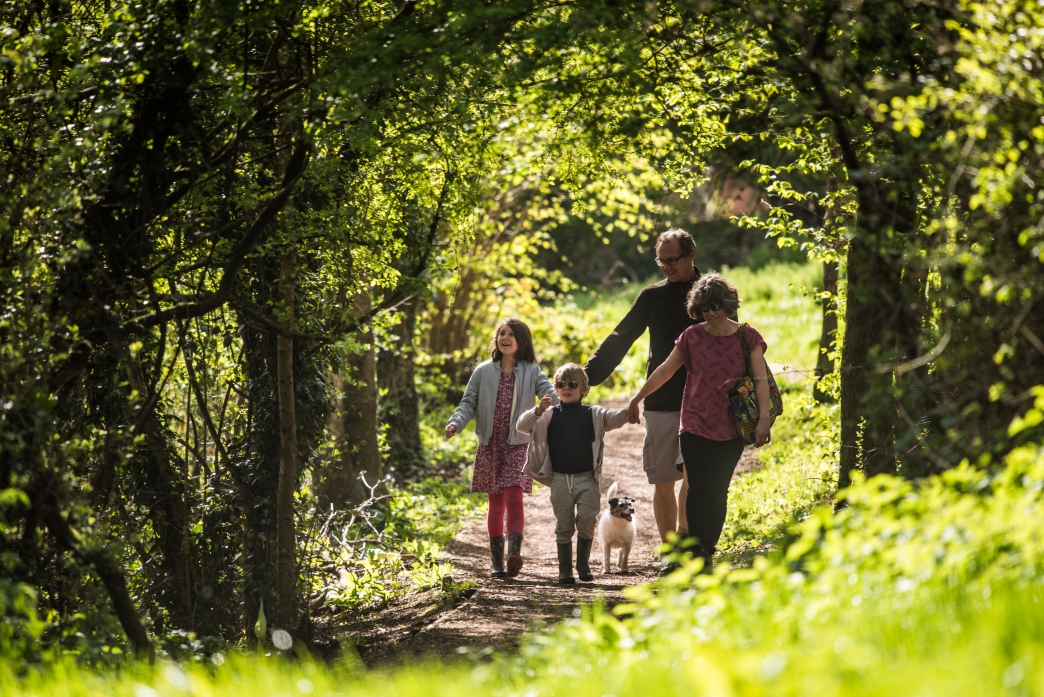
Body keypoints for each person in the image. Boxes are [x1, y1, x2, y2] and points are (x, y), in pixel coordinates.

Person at [626, 274, 773, 573]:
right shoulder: (691, 336)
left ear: (728, 304)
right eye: (704, 307)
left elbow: (761, 380)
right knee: (697, 487)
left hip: (732, 424)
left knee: (718, 489)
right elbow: (665, 370)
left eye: (715, 305)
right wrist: (637, 398)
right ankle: (697, 550)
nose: (710, 312)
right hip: (694, 422)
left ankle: (707, 546)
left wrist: (764, 420)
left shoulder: (747, 336)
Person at [584, 229, 702, 556]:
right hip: (662, 399)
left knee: (694, 478)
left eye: (672, 260)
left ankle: (689, 546)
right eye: (661, 261)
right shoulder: (652, 296)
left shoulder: (710, 292)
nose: (666, 267)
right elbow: (621, 337)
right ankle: (671, 553)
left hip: (703, 400)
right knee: (663, 481)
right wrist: (587, 376)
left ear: (691, 254)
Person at [446, 318, 556, 579]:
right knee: (495, 503)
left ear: (523, 341)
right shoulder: (483, 371)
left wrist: (558, 402)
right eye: (501, 333)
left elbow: (550, 394)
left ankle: (513, 554)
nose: (505, 338)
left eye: (511, 334)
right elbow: (468, 402)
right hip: (490, 444)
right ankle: (497, 562)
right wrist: (456, 423)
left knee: (514, 496)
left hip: (519, 444)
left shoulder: (532, 371)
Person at [516, 363, 628, 584]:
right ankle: (565, 569)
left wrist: (629, 411)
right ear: (555, 389)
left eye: (572, 384)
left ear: (583, 390)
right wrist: (538, 410)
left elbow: (613, 417)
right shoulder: (549, 414)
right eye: (561, 384)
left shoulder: (592, 414)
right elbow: (521, 425)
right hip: (560, 479)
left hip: (587, 478)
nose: (566, 387)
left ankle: (583, 564)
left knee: (587, 519)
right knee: (564, 525)